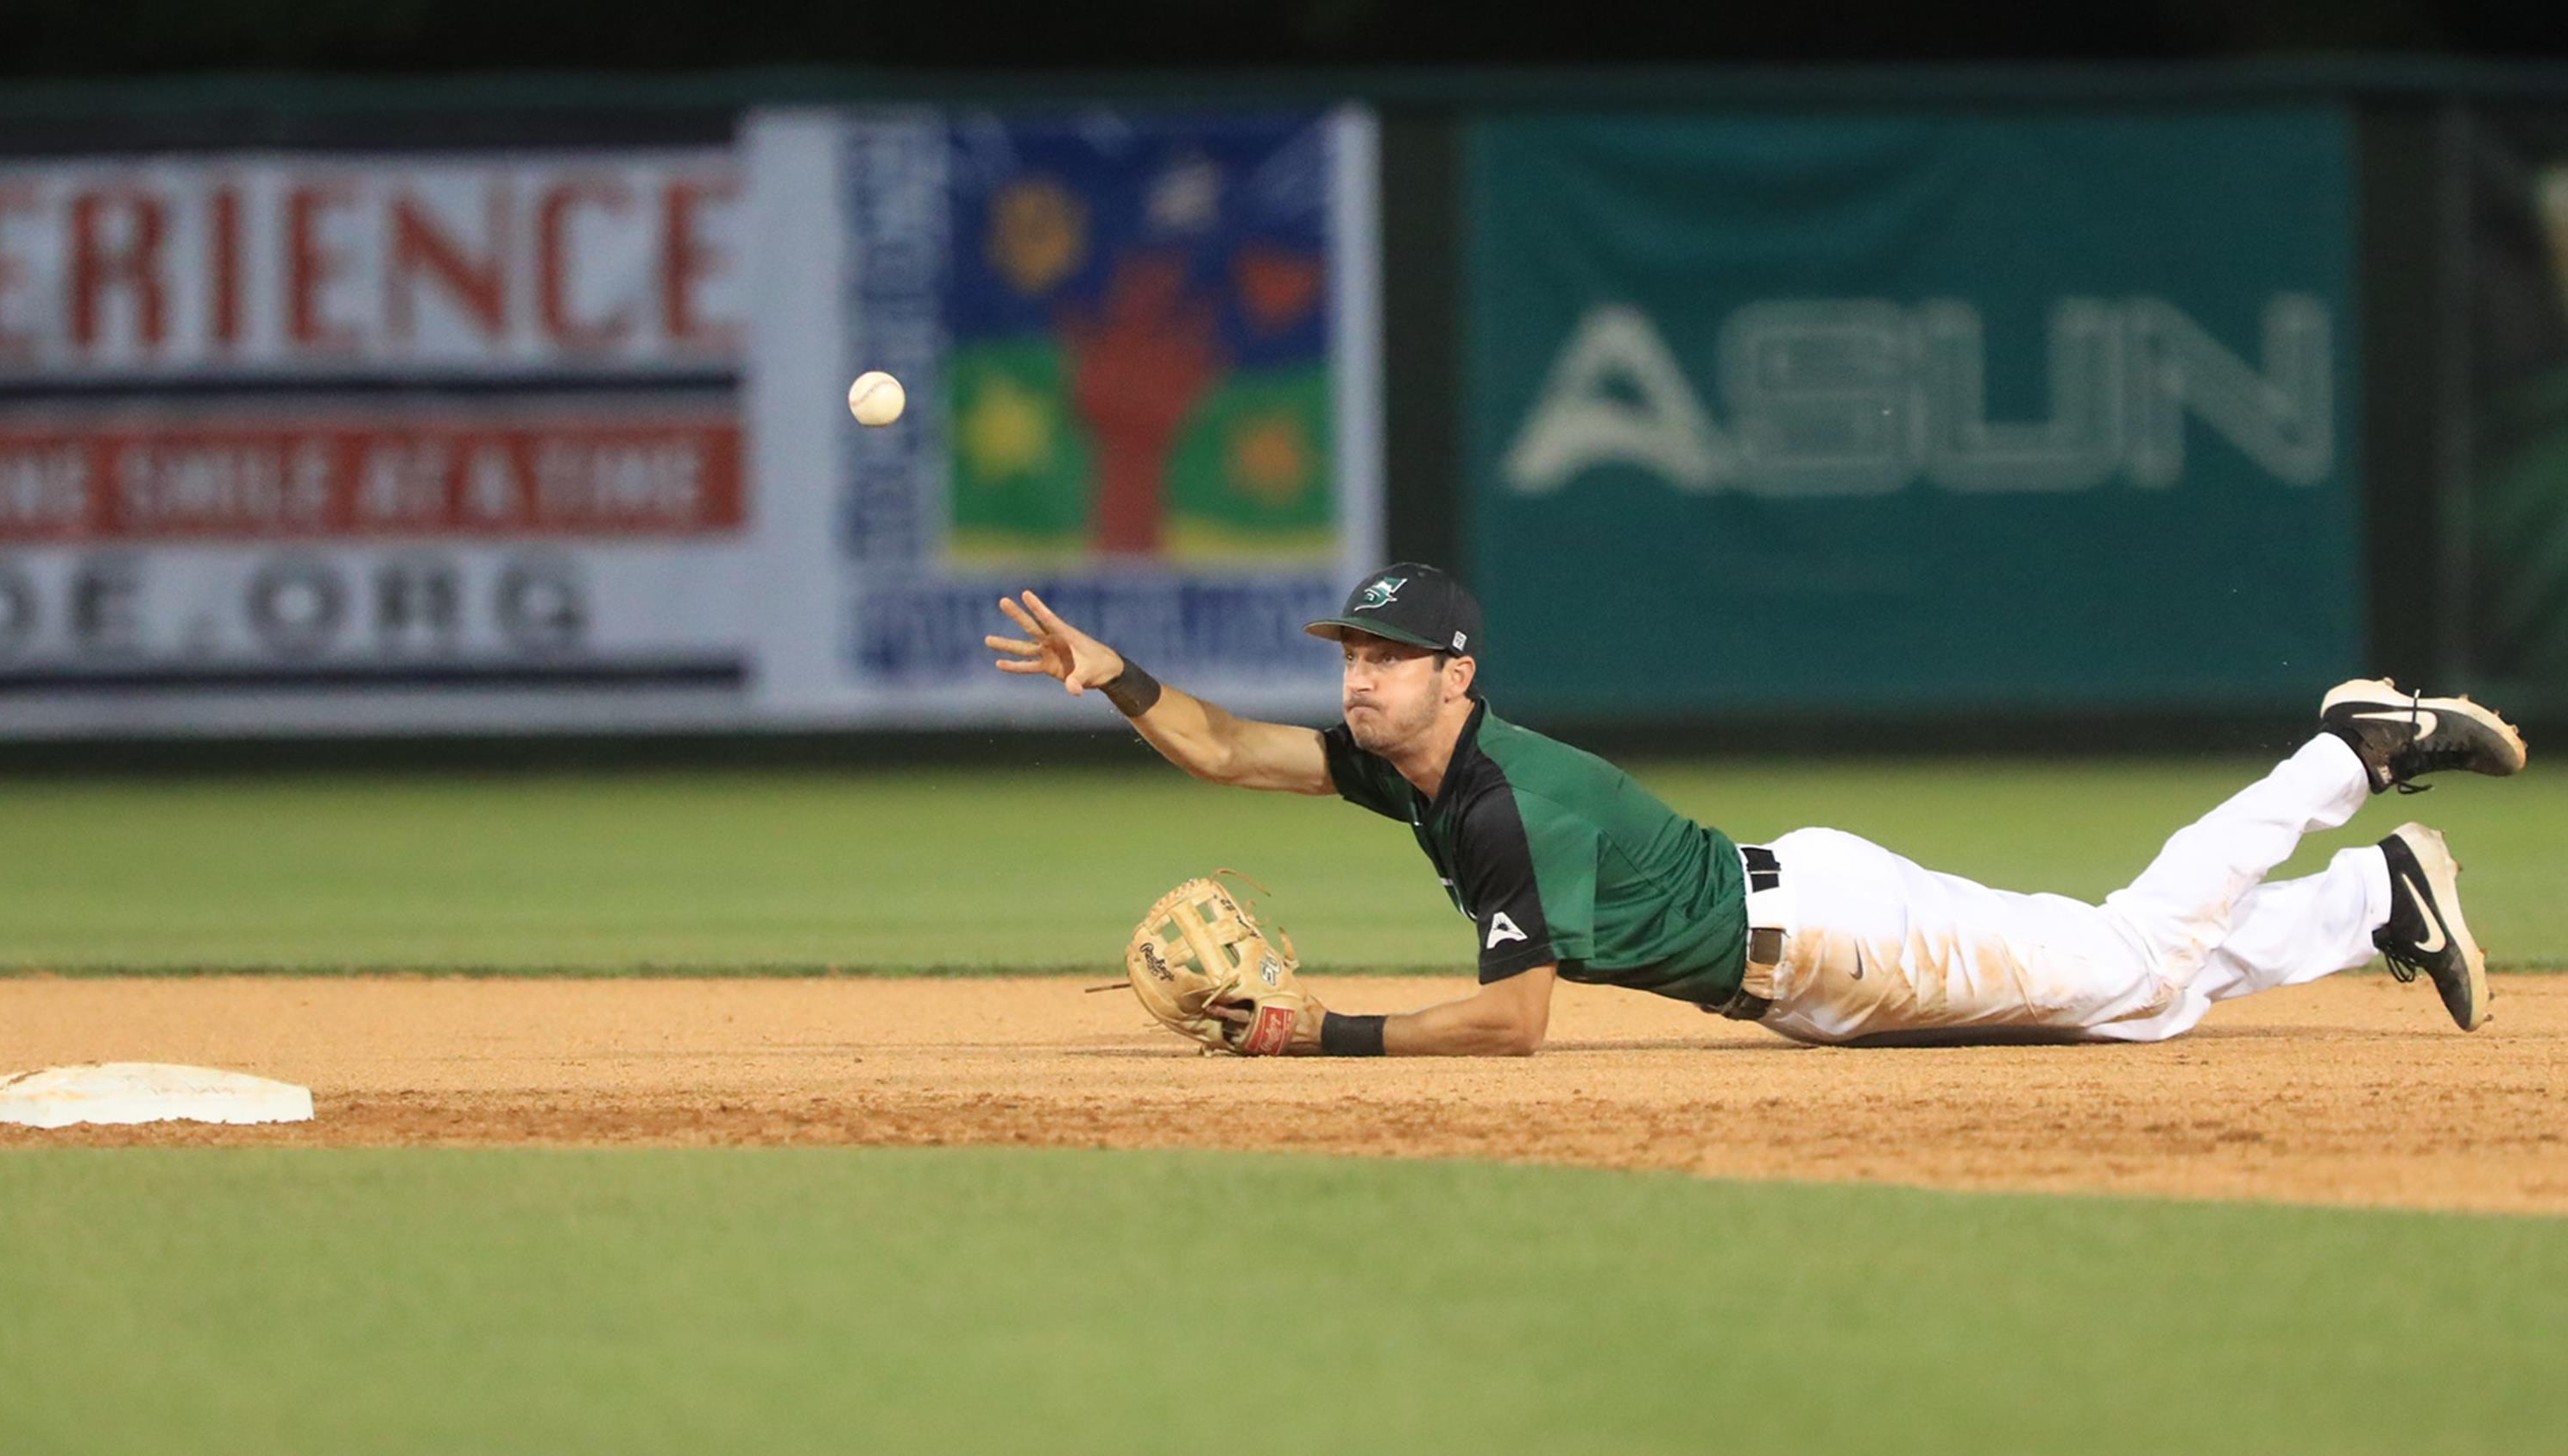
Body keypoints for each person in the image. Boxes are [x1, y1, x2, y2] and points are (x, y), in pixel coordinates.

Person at [984, 564, 2527, 1056]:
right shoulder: (1411, 767)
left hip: (1832, 935)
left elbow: (1514, 1025)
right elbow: (1229, 752)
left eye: (1386, 657)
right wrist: (1118, 675)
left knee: (2136, 965)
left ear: (1460, 674)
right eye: (1352, 656)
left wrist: (1317, 1036)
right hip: (1803, 967)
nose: (1360, 680)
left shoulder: (1505, 802)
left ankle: (2346, 756)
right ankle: (2373, 900)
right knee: (2134, 1006)